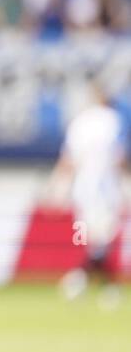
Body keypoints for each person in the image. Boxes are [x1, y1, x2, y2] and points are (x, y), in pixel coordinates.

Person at [51, 85, 127, 308]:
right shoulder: (113, 119)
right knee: (101, 242)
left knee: (88, 240)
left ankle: (95, 284)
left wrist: (58, 187)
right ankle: (83, 280)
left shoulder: (80, 122)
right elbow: (119, 156)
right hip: (106, 188)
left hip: (83, 189)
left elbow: (68, 158)